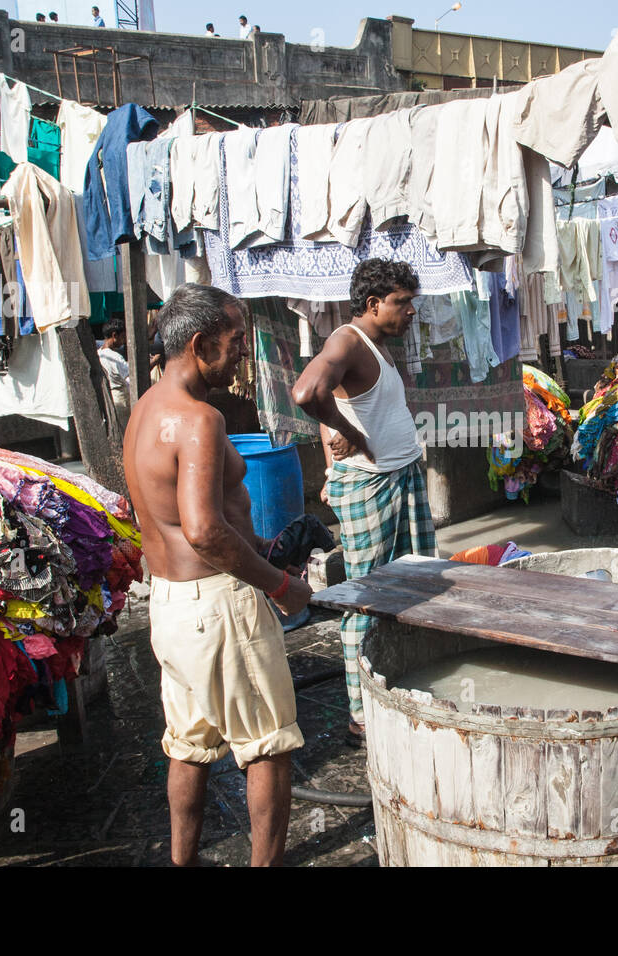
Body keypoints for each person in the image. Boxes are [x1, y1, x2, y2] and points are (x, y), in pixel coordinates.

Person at [123, 283, 311, 867]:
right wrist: (281, 585)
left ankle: (182, 862)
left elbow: (176, 520)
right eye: (233, 344)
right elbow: (204, 532)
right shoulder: (199, 418)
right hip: (218, 605)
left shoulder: (145, 410)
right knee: (269, 745)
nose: (241, 358)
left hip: (173, 606)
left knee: (189, 743)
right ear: (200, 344)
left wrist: (260, 546)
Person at [292, 259, 437, 744]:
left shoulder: (376, 345)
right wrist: (349, 433)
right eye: (403, 302)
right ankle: (361, 716)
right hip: (373, 485)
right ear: (373, 305)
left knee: (415, 586)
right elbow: (307, 391)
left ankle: (397, 687)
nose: (411, 311)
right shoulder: (348, 339)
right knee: (367, 600)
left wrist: (343, 426)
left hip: (401, 476)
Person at [96, 318, 131, 428]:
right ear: (114, 335)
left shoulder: (98, 354)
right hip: (120, 399)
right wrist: (153, 363)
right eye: (123, 337)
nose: (124, 341)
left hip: (108, 397)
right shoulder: (115, 357)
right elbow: (131, 377)